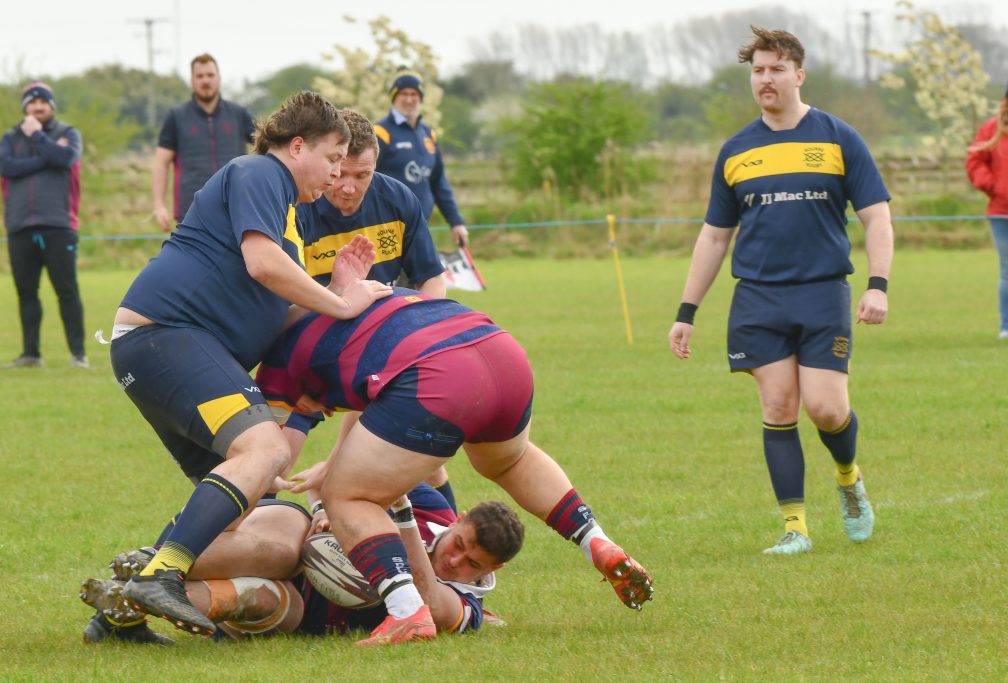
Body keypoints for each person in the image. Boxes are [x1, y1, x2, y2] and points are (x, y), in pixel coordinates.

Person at [107, 90, 393, 638]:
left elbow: (271, 309)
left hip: (172, 348)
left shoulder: (288, 211)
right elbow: (262, 265)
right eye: (332, 159)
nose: (336, 175)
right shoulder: (261, 172)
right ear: (298, 146)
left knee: (236, 508)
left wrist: (333, 290)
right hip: (167, 338)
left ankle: (120, 616)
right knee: (263, 449)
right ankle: (161, 576)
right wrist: (341, 303)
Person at [256, 288, 654, 646]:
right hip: (500, 350)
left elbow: (271, 461)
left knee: (348, 497)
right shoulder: (363, 298)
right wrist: (337, 461)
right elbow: (371, 401)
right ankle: (594, 539)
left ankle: (406, 612)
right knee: (509, 460)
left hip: (440, 374)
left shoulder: (279, 360)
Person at [667, 26, 893, 556]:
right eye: (757, 71)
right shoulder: (737, 150)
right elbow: (715, 236)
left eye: (774, 70)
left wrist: (877, 286)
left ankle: (848, 478)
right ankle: (795, 528)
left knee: (827, 410)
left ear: (798, 74)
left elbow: (876, 216)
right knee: (778, 404)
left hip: (822, 293)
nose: (765, 80)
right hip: (759, 299)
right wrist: (686, 311)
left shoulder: (838, 137)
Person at [81, 484, 523, 643]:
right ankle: (156, 565)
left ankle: (125, 602)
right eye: (459, 543)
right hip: (296, 534)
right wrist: (326, 508)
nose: (455, 559)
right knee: (285, 548)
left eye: (471, 562)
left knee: (265, 598)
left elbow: (428, 599)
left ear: (492, 570)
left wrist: (401, 513)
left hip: (307, 606)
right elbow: (328, 478)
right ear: (459, 518)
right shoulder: (432, 504)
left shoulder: (469, 607)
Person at [297, 107, 456, 508]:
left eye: (361, 175)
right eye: (340, 173)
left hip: (379, 344)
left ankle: (446, 528)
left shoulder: (398, 199)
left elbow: (431, 277)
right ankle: (266, 521)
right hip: (305, 344)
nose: (348, 187)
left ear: (375, 167)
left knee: (422, 445)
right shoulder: (298, 209)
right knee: (274, 442)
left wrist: (425, 332)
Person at [0, 81, 87, 369]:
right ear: (24, 107)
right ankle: (31, 354)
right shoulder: (9, 138)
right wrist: (46, 158)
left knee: (67, 291)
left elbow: (65, 158)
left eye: (43, 102)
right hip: (20, 227)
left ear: (51, 105)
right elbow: (6, 167)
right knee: (26, 293)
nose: (37, 106)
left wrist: (38, 137)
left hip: (59, 225)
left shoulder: (68, 133)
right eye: (32, 102)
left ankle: (78, 354)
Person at [151, 54, 257, 232]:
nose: (205, 81)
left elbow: (269, 146)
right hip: (191, 211)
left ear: (219, 78)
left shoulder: (239, 114)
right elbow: (161, 163)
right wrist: (159, 205)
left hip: (236, 207)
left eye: (210, 75)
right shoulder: (177, 117)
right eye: (199, 76)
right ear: (192, 81)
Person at [374, 68, 469, 247]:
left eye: (414, 94)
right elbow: (363, 177)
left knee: (428, 275)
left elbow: (438, 182)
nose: (409, 99)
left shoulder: (428, 134)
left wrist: (456, 222)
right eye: (403, 94)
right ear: (394, 97)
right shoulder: (380, 132)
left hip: (419, 227)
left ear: (421, 98)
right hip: (384, 228)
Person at [966, 81, 1008, 340]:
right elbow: (975, 161)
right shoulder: (991, 129)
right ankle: (1006, 325)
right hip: (1001, 212)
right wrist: (991, 185)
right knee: (1007, 270)